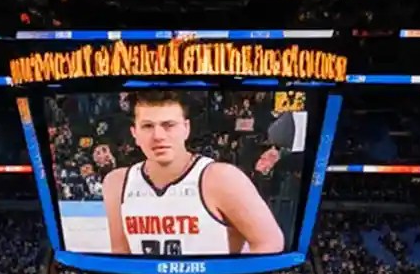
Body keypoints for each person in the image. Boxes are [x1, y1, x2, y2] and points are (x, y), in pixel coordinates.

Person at [101, 91, 285, 256]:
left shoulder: (221, 178)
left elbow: (270, 243)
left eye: (168, 125)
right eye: (147, 126)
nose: (158, 136)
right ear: (134, 133)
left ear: (186, 128)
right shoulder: (117, 183)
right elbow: (121, 256)